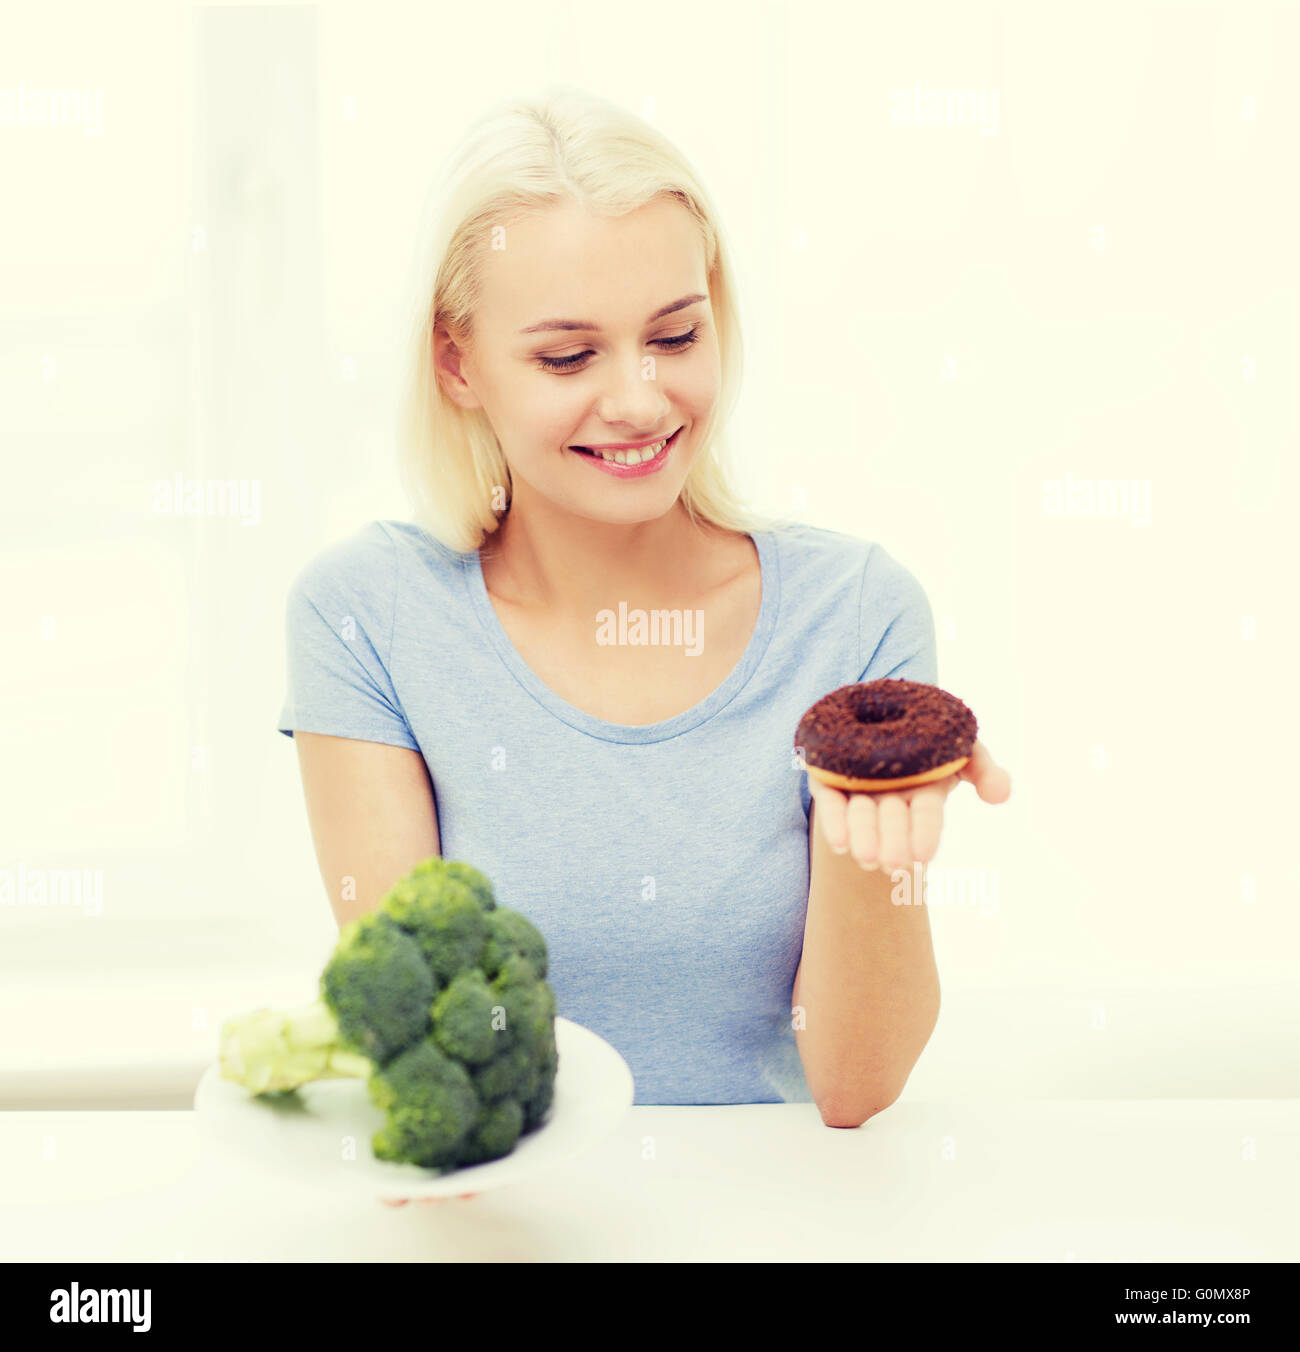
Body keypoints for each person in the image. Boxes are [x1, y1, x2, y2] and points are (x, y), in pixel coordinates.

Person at [275, 88, 1010, 1207]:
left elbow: (854, 1087)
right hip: (502, 1225)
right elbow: (420, 1036)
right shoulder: (366, 615)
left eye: (675, 334)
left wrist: (879, 833)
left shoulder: (853, 609)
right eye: (568, 356)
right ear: (459, 366)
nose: (640, 398)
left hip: (777, 1221)